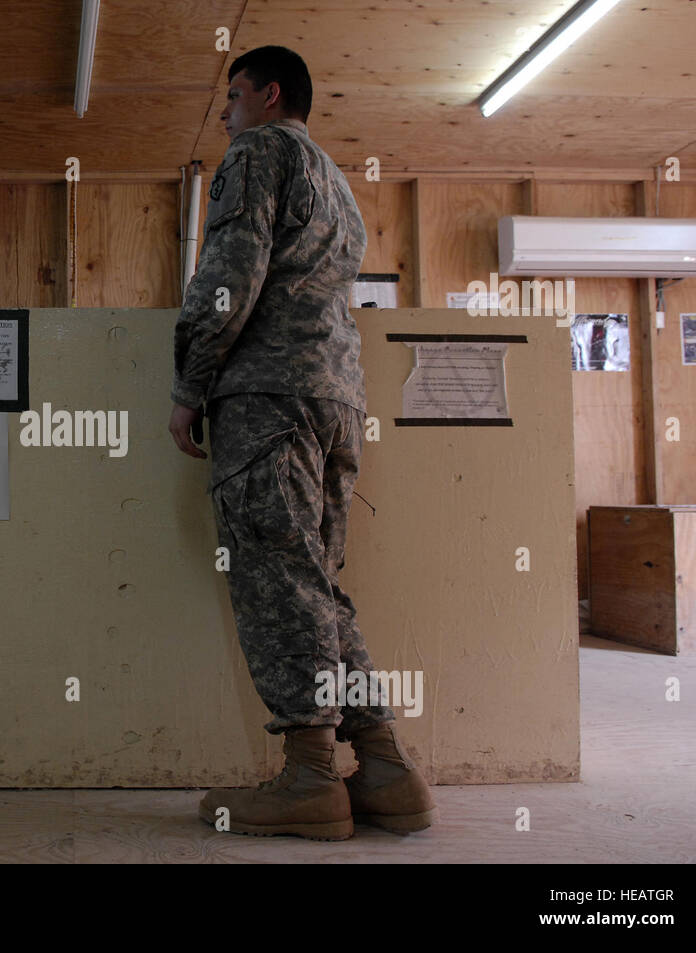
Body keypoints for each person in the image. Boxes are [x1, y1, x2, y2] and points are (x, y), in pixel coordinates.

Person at [168, 46, 436, 839]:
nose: (225, 114)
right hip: (335, 397)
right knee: (315, 580)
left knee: (279, 584)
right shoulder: (339, 185)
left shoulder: (256, 153)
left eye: (234, 95)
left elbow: (230, 273)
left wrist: (189, 382)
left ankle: (310, 776)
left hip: (268, 400)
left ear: (270, 93)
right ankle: (384, 768)